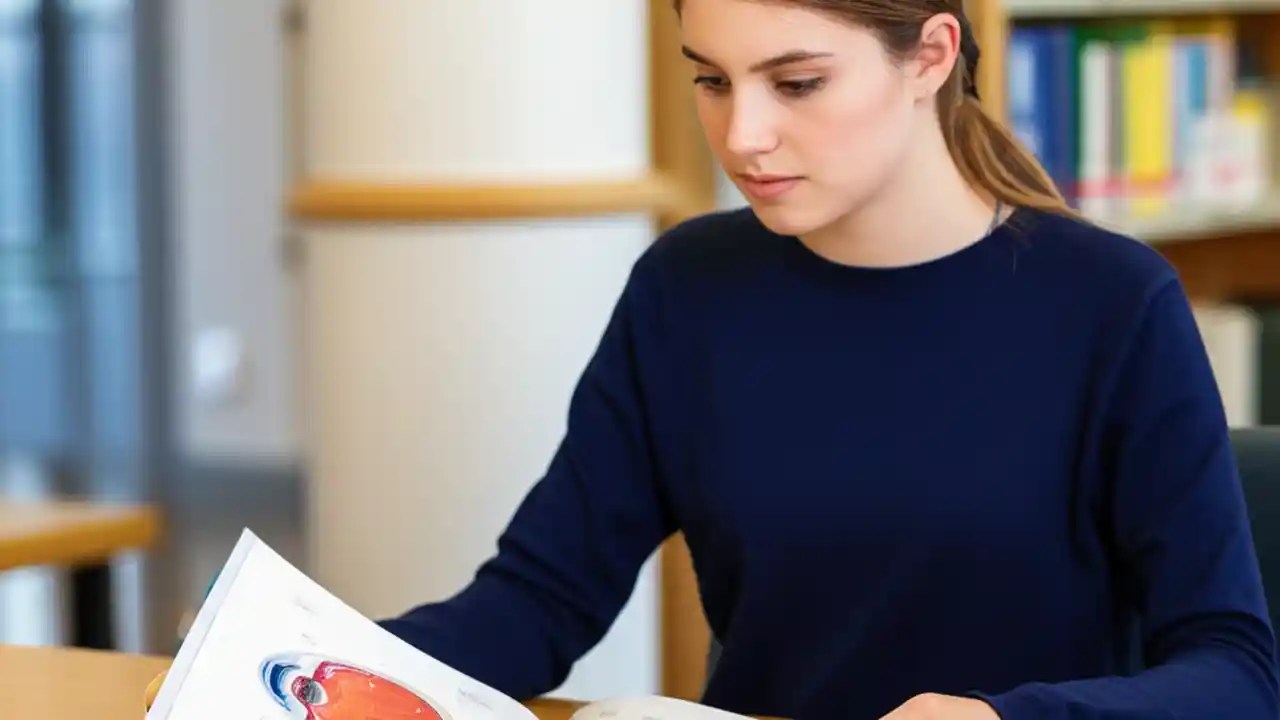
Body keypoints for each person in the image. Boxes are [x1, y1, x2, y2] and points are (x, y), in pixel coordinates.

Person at [148, 1, 1279, 718]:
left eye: (794, 84)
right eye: (708, 77)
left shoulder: (1108, 304)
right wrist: (296, 672)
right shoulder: (687, 287)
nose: (741, 135)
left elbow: (1232, 668)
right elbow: (538, 599)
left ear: (929, 53)